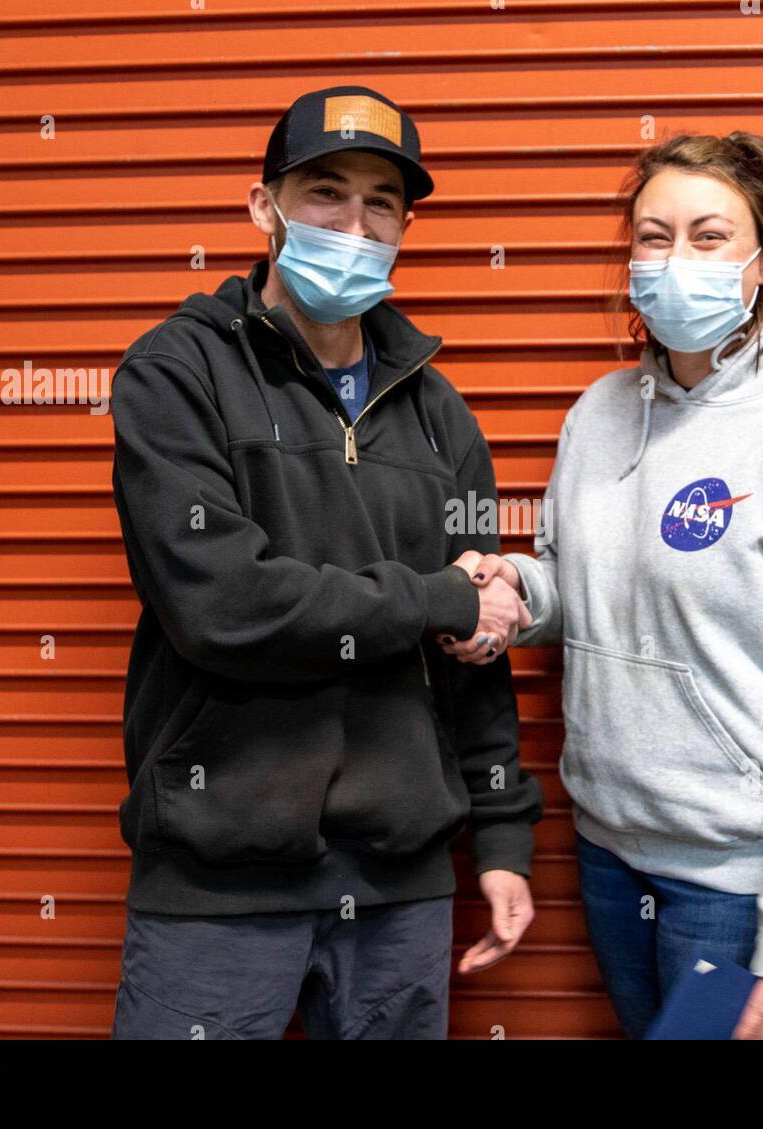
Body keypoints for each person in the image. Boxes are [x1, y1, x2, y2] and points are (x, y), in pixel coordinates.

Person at [441, 132, 763, 1039]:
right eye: (655, 237)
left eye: (709, 235)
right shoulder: (600, 415)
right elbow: (582, 583)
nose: (676, 258)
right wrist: (515, 590)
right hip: (609, 854)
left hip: (739, 883)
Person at [107, 85, 542, 1040]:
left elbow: (479, 643)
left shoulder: (444, 416)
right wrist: (439, 600)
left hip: (400, 892)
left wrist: (502, 835)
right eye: (325, 192)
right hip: (218, 889)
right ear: (263, 206)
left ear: (404, 228)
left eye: (380, 202)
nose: (353, 224)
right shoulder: (176, 373)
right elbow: (223, 604)